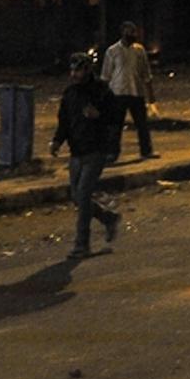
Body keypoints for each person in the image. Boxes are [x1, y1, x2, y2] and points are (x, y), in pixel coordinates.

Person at [49, 51, 122, 258]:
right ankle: (108, 218)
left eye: (78, 70)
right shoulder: (70, 94)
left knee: (82, 194)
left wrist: (99, 116)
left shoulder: (101, 91)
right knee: (77, 197)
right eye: (72, 70)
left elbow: (116, 118)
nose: (74, 74)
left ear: (88, 70)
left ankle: (82, 244)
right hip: (76, 152)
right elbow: (64, 121)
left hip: (96, 150)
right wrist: (57, 141)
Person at [101, 21, 157, 159]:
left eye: (134, 32)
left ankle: (146, 151)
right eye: (130, 32)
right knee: (115, 126)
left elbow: (146, 73)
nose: (134, 35)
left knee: (142, 125)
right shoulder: (112, 51)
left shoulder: (139, 50)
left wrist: (150, 95)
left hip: (136, 92)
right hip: (118, 93)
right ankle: (112, 152)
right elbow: (106, 75)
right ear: (123, 32)